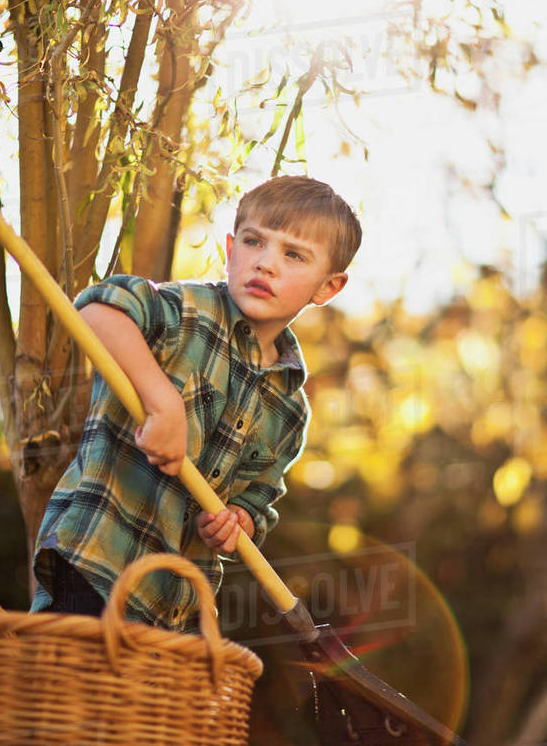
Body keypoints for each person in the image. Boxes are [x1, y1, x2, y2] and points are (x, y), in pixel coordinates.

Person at [30, 175, 362, 632]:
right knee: (72, 695)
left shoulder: (289, 411)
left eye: (293, 254)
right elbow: (96, 310)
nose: (265, 263)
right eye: (254, 242)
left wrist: (238, 523)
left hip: (175, 611)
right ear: (230, 249)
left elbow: (256, 503)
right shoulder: (188, 312)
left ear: (328, 287)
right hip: (95, 560)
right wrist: (161, 399)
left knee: (139, 706)